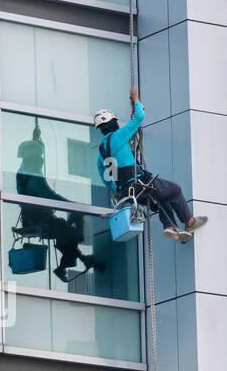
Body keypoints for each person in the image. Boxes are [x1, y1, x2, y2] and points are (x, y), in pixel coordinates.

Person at [95, 88, 208, 242]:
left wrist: (118, 190)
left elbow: (106, 179)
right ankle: (189, 221)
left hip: (130, 193)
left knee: (162, 198)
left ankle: (169, 225)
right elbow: (139, 117)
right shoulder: (118, 136)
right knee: (175, 190)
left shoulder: (101, 152)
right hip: (140, 183)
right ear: (113, 122)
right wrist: (136, 100)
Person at [15, 124, 98, 283]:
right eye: (39, 157)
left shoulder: (25, 170)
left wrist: (36, 139)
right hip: (38, 219)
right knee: (69, 231)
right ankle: (65, 266)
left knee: (65, 229)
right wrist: (69, 204)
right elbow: (48, 194)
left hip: (34, 217)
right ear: (34, 158)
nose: (41, 160)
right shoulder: (32, 175)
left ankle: (79, 260)